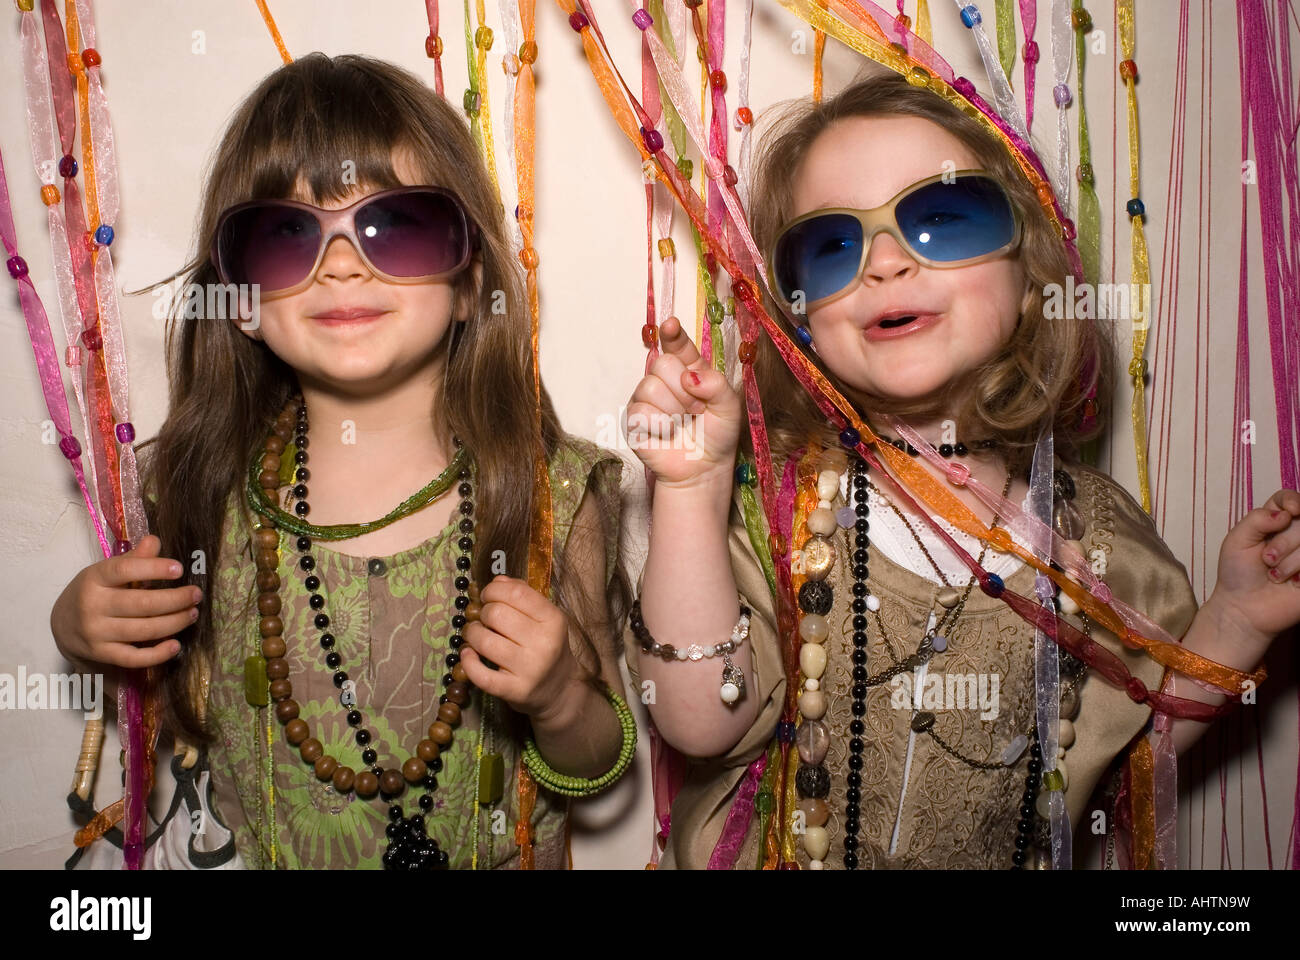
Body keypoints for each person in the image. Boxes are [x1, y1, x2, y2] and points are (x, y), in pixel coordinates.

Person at [623, 70, 1300, 869]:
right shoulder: (787, 510)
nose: (882, 264)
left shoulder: (1095, 539)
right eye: (831, 245)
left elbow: (1136, 758)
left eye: (942, 217)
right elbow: (700, 723)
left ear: (1029, 279)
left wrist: (1238, 622)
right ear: (801, 321)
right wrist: (692, 490)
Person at [49, 53, 634, 870]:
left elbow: (597, 770)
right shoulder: (195, 490)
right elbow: (152, 678)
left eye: (394, 223)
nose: (340, 261)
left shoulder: (551, 496)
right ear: (242, 302)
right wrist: (79, 630)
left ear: (470, 284)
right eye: (287, 235)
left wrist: (560, 699)